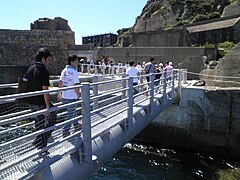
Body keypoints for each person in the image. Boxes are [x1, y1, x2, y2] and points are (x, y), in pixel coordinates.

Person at [25, 47, 54, 151]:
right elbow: (45, 90)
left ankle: (42, 147)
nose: (49, 62)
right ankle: (39, 142)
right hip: (41, 103)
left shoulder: (30, 69)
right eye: (48, 59)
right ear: (43, 59)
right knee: (52, 119)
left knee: (38, 125)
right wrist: (47, 106)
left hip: (32, 103)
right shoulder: (43, 71)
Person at [58, 55, 81, 138]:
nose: (77, 63)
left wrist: (59, 93)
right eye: (76, 61)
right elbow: (76, 85)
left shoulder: (64, 71)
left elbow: (60, 83)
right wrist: (78, 94)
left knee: (72, 111)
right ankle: (65, 130)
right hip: (72, 96)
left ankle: (76, 125)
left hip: (64, 96)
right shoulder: (74, 72)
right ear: (72, 62)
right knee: (70, 114)